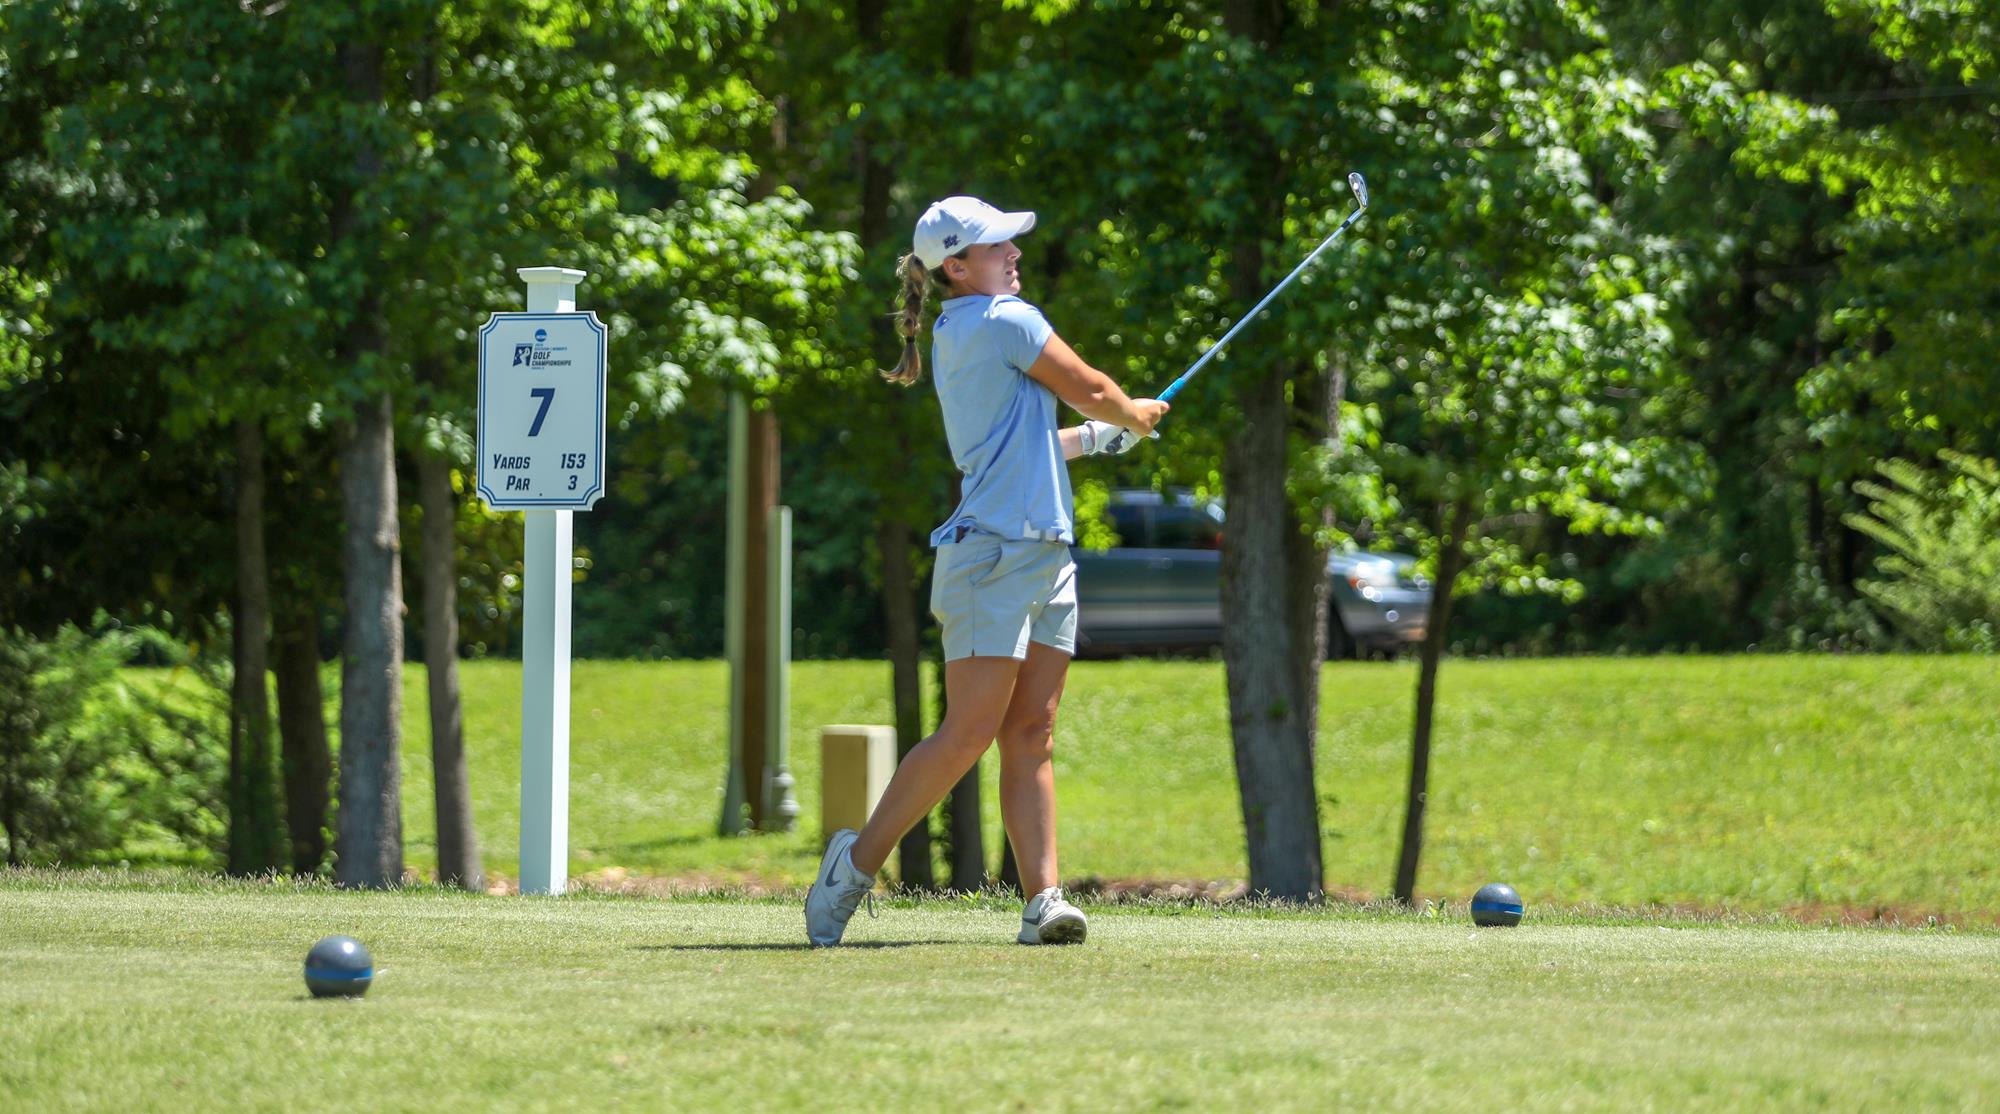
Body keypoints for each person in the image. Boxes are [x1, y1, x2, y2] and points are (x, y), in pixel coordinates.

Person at [805, 196, 1168, 947]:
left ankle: (1044, 902)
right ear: (956, 268)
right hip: (991, 554)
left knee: (1032, 731)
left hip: (1043, 552)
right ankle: (852, 867)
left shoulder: (968, 328)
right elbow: (1089, 384)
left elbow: (1029, 440)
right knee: (969, 733)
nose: (1012, 251)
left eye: (1009, 240)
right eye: (994, 244)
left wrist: (1098, 440)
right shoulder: (1005, 319)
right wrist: (1128, 413)